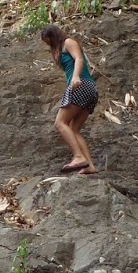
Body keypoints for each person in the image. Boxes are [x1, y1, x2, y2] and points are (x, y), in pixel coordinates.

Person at [40, 23, 98, 174]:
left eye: (48, 40)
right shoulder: (59, 49)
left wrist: (76, 76)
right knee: (74, 129)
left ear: (54, 36)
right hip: (89, 89)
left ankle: (79, 157)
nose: (48, 44)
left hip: (81, 85)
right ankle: (90, 166)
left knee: (60, 123)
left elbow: (79, 59)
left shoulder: (68, 43)